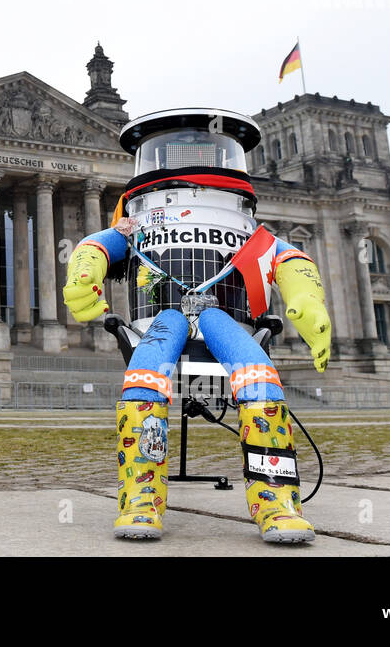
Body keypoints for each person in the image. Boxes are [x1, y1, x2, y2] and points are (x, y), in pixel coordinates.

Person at [62, 108, 332, 543]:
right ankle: (142, 497)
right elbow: (96, 246)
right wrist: (85, 272)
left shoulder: (245, 228)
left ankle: (277, 501)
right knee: (145, 378)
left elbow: (290, 260)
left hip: (224, 321)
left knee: (261, 379)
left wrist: (307, 300)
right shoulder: (137, 226)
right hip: (163, 321)